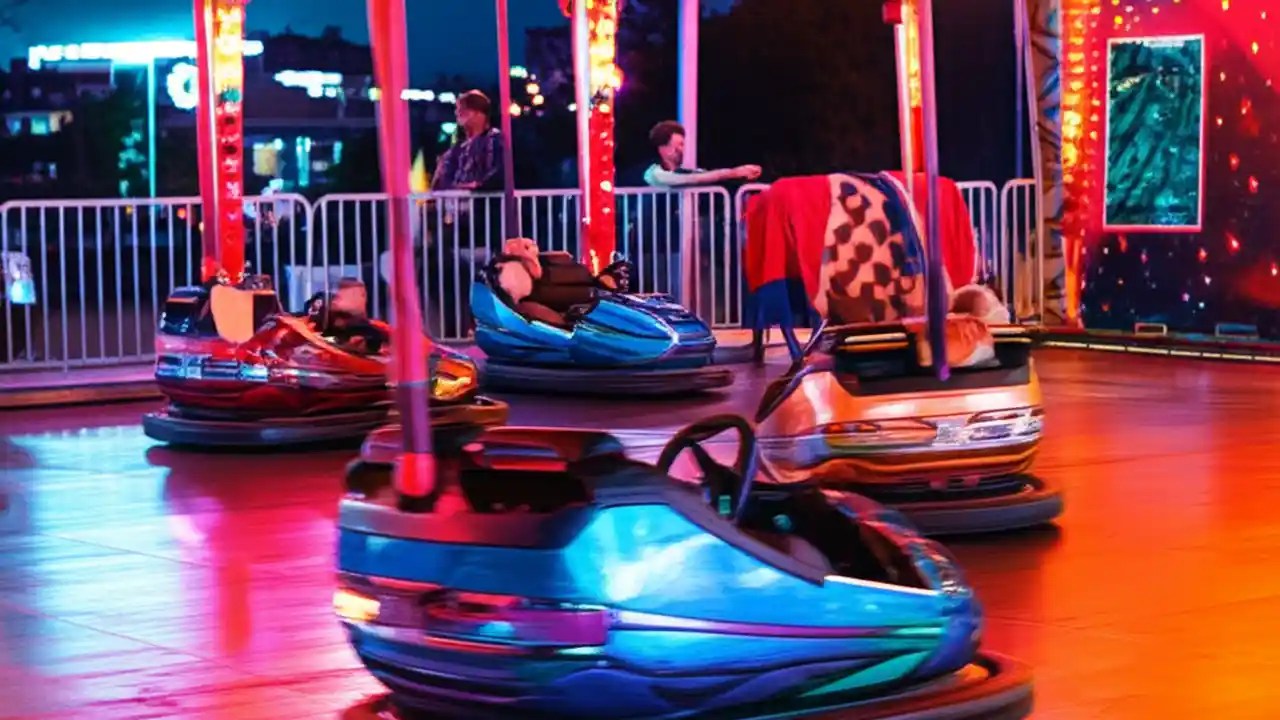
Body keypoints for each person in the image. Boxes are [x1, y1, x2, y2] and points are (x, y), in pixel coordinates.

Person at [642, 121, 761, 188]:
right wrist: (734, 172)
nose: (683, 150)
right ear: (665, 149)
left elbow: (703, 174)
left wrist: (741, 174)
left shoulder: (680, 172)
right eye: (679, 145)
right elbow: (695, 178)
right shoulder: (653, 174)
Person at [431, 90, 504, 192]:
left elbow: (497, 172)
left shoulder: (494, 139)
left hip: (480, 204)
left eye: (463, 109)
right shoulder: (456, 148)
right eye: (457, 109)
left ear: (479, 113)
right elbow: (440, 181)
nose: (458, 112)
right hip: (453, 204)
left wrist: (475, 187)